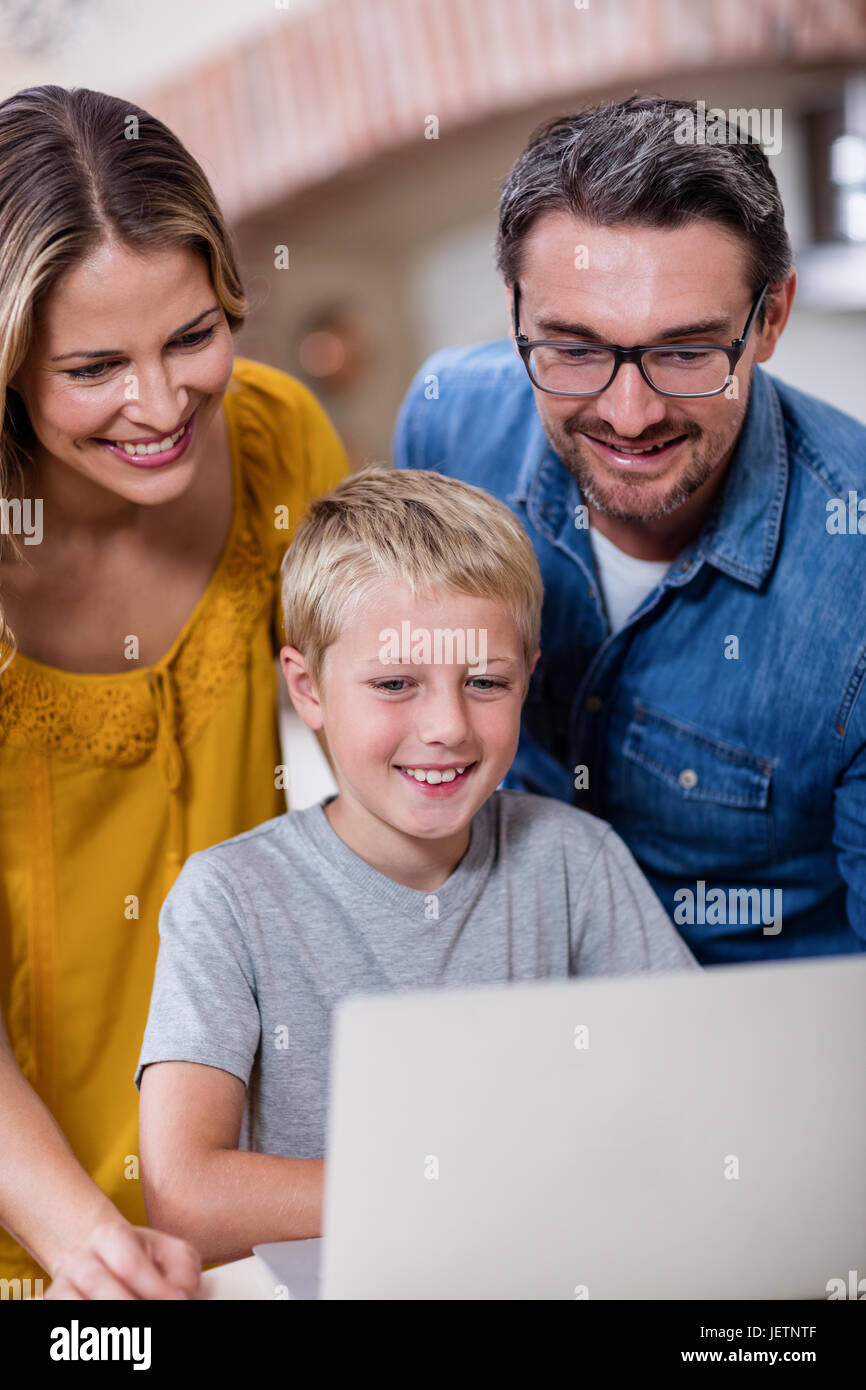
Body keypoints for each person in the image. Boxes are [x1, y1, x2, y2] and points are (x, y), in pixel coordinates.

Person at [135, 467, 697, 1264]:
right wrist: (462, 1180)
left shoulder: (576, 860)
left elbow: (696, 1101)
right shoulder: (227, 898)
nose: (446, 727)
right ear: (310, 688)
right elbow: (187, 1196)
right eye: (396, 683)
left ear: (528, 677)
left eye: (486, 682)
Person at [0, 85, 348, 1296]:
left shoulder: (276, 441)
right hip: (30, 1217)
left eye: (192, 336)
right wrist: (80, 1241)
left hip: (231, 1197)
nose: (160, 406)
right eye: (94, 367)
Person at [394, 94, 866, 966]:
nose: (629, 413)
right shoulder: (445, 426)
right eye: (573, 349)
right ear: (513, 313)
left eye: (685, 353)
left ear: (770, 319)